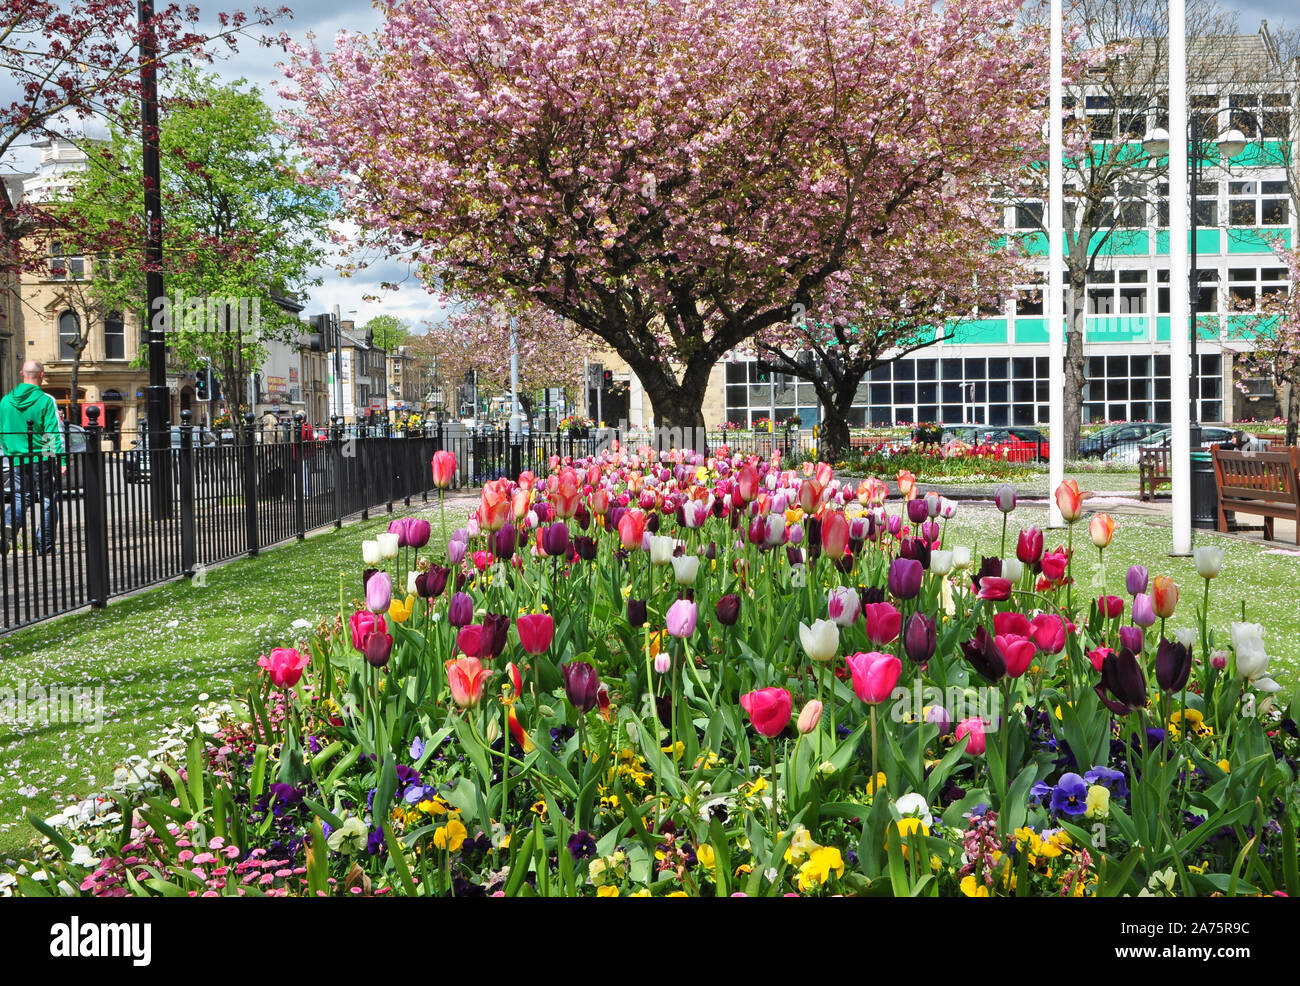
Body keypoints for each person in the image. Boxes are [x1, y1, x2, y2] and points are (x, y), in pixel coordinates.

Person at [1, 360, 66, 555]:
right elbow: (51, 432)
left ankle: (9, 525)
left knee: (21, 496)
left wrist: (11, 452)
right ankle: (44, 546)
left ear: (21, 374)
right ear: (41, 375)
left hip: (16, 458)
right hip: (40, 457)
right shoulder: (45, 400)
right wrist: (58, 460)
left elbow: (3, 432)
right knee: (48, 499)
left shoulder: (5, 401)